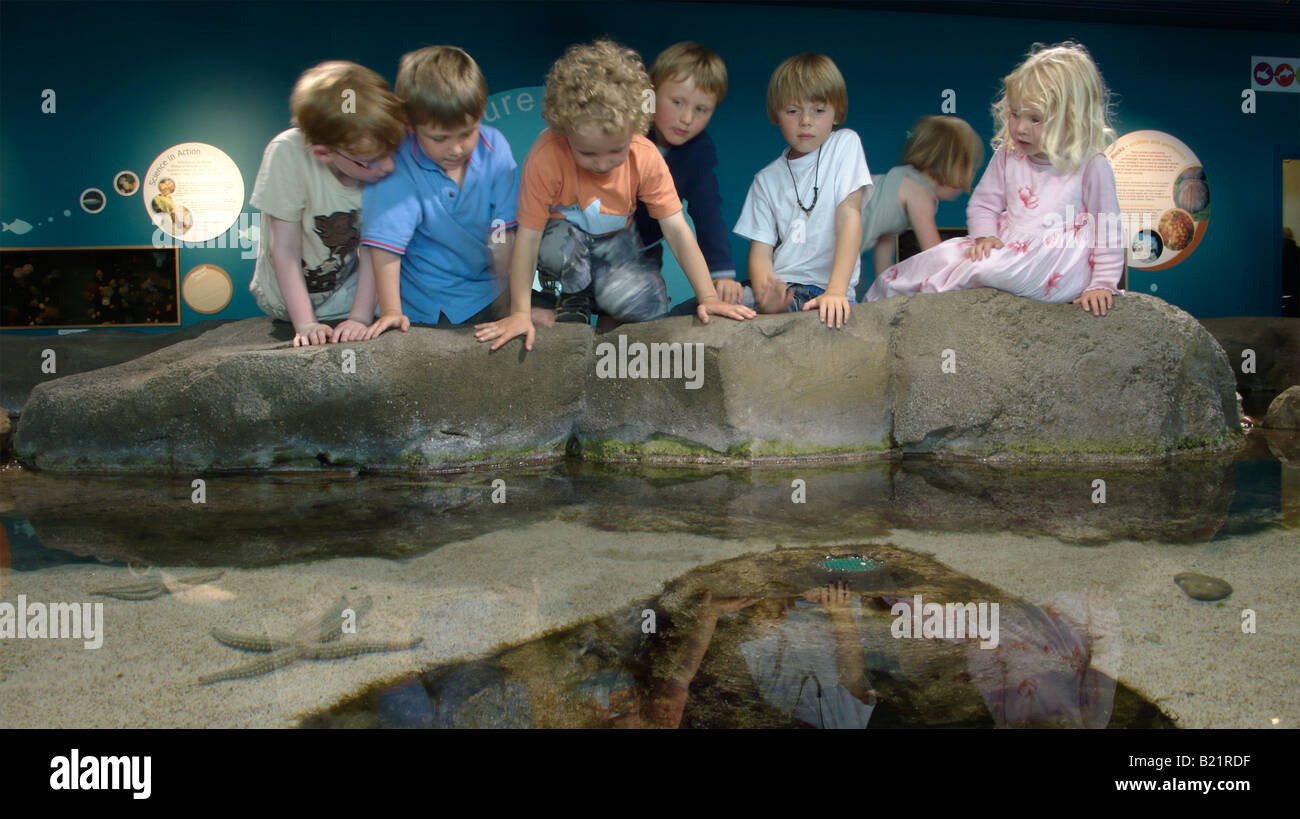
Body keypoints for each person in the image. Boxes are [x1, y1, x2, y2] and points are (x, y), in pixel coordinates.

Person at [474, 40, 754, 352]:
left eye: (615, 151)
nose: (603, 164)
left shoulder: (644, 155)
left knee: (649, 305)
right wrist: (519, 314)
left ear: (635, 129)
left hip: (616, 247)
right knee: (558, 242)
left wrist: (709, 297)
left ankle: (606, 304)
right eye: (588, 153)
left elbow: (677, 229)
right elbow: (528, 235)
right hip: (563, 243)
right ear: (564, 132)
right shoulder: (547, 154)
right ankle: (572, 297)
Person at [865, 42, 1123, 316]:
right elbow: (983, 205)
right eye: (1014, 114)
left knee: (989, 268)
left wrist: (1103, 284)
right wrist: (984, 237)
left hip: (1055, 262)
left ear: (1072, 119)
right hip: (1008, 247)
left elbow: (1106, 227)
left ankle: (946, 291)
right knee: (938, 257)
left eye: (1035, 119)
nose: (1020, 128)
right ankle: (879, 301)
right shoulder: (1008, 155)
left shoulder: (1091, 165)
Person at [361, 46, 532, 336]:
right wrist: (392, 311)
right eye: (439, 138)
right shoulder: (398, 162)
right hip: (426, 304)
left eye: (467, 132)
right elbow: (386, 244)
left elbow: (502, 236)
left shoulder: (496, 148)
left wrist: (514, 309)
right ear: (410, 126)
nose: (456, 149)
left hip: (486, 291)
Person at [248, 61, 403, 346]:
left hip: (345, 289)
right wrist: (305, 324)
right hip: (283, 298)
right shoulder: (287, 153)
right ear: (323, 152)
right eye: (371, 161)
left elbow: (373, 247)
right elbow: (284, 250)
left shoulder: (375, 159)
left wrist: (359, 317)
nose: (389, 166)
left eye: (390, 152)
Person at [733, 53, 871, 329]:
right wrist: (766, 297)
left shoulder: (844, 145)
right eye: (793, 111)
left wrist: (836, 291)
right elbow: (761, 253)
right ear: (776, 114)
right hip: (783, 289)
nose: (806, 120)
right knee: (702, 307)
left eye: (819, 110)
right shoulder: (766, 179)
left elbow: (849, 215)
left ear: (836, 113)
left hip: (823, 290)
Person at [631, 42, 747, 315]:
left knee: (631, 314)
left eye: (701, 110)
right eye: (677, 102)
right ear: (652, 93)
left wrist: (721, 274)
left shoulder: (698, 150)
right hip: (598, 237)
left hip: (644, 248)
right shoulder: (626, 129)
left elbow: (707, 212)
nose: (686, 118)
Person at [855, 115, 984, 302]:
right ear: (955, 166)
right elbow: (934, 254)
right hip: (832, 236)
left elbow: (885, 239)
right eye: (969, 170)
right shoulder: (920, 194)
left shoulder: (902, 180)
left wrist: (881, 298)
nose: (969, 181)